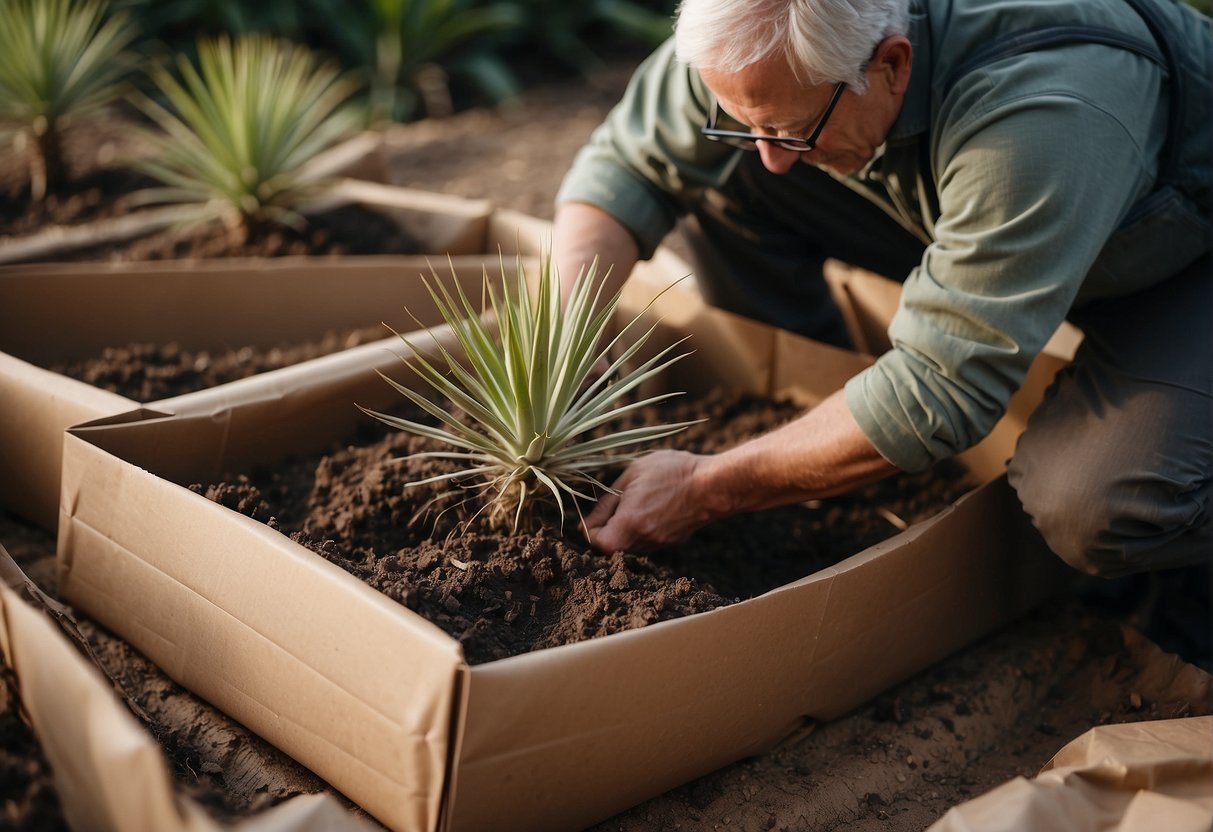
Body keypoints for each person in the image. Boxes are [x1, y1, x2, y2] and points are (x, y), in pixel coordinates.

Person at [550, 0, 1212, 589]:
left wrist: (703, 489)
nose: (768, 154)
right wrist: (569, 330)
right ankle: (823, 432)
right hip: (1000, 204)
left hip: (1176, 254)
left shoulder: (1040, 112)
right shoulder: (769, 39)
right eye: (741, 120)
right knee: (728, 172)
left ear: (892, 64)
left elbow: (941, 387)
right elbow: (625, 166)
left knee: (1095, 504)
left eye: (790, 130)